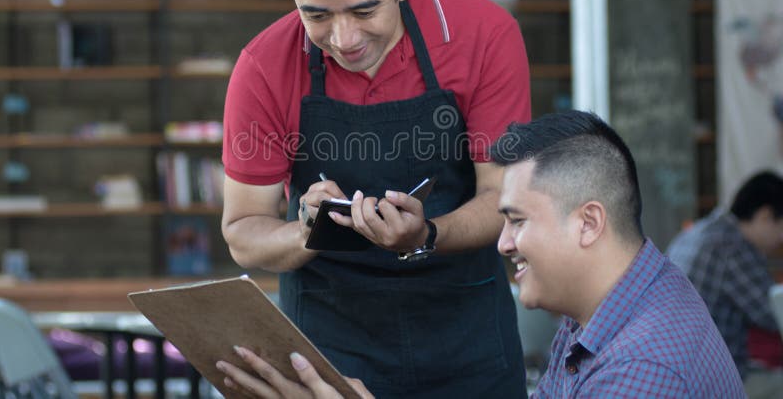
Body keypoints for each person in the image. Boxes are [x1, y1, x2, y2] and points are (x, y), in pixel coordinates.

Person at [220, 0, 530, 397]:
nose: (344, 39)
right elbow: (242, 230)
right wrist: (305, 232)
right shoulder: (263, 66)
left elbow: (504, 197)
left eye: (365, 11)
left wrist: (425, 235)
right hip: (328, 351)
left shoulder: (482, 34)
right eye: (316, 15)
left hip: (468, 341)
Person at [216, 111, 745, 398]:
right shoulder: (617, 300)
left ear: (588, 223)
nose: (502, 243)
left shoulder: (639, 372)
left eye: (516, 221)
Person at [667, 171, 783, 398]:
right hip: (710, 380)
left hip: (675, 369)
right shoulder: (732, 247)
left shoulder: (700, 230)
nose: (781, 239)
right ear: (765, 216)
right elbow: (774, 315)